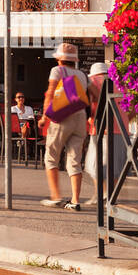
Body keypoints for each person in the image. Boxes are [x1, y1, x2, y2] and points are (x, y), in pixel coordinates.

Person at [41, 41, 91, 209]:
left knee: (51, 156)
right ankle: (75, 201)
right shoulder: (82, 75)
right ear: (74, 60)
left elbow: (50, 92)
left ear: (59, 59)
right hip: (80, 117)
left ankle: (56, 196)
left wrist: (44, 116)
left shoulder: (57, 70)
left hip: (62, 117)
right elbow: (90, 95)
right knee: (75, 159)